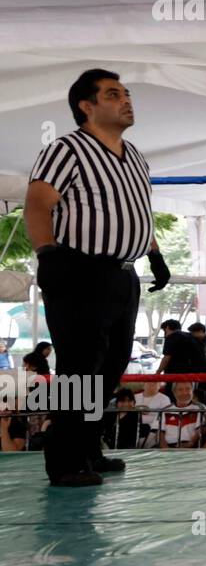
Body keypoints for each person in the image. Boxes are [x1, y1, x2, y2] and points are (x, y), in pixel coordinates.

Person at [24, 69, 172, 485]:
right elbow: (37, 203)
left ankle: (88, 447)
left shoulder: (135, 154)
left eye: (126, 93)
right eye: (112, 94)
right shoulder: (67, 148)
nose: (126, 100)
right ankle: (64, 460)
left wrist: (155, 254)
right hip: (78, 269)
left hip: (124, 274)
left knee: (109, 368)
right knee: (79, 369)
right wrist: (47, 254)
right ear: (86, 106)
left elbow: (136, 212)